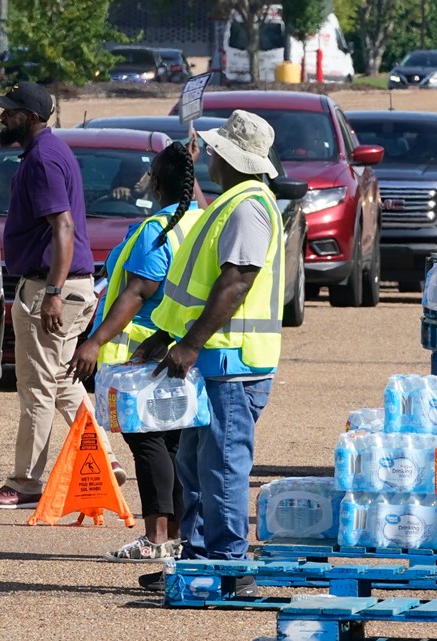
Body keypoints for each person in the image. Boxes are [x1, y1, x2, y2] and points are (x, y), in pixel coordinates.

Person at [132, 110, 285, 594]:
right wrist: (168, 334)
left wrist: (191, 343)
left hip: (232, 362)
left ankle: (228, 565)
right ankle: (198, 560)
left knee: (221, 466)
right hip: (214, 360)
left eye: (216, 151)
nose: (210, 158)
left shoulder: (247, 206)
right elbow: (198, 286)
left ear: (229, 156)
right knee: (196, 466)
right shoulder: (233, 202)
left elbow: (236, 281)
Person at [0, 82, 126, 510]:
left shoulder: (42, 158)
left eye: (11, 110)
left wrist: (53, 293)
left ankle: (24, 484)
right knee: (59, 381)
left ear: (33, 116)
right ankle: (106, 459)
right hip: (59, 286)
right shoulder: (51, 152)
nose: (3, 117)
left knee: (37, 387)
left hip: (51, 288)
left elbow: (63, 227)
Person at [67, 140, 204, 563]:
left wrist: (94, 340)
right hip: (185, 347)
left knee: (148, 443)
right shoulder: (198, 221)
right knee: (175, 444)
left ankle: (156, 537)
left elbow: (136, 292)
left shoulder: (155, 230)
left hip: (144, 351)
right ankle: (176, 533)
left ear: (157, 184)